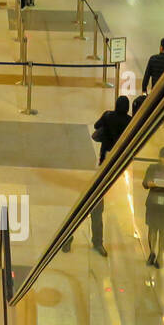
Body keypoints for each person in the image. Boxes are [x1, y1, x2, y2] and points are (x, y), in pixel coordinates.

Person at [62, 95, 132, 256]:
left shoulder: (108, 116)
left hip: (102, 165)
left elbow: (96, 125)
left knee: (92, 204)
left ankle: (70, 236)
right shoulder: (129, 121)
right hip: (117, 168)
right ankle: (95, 241)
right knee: (95, 206)